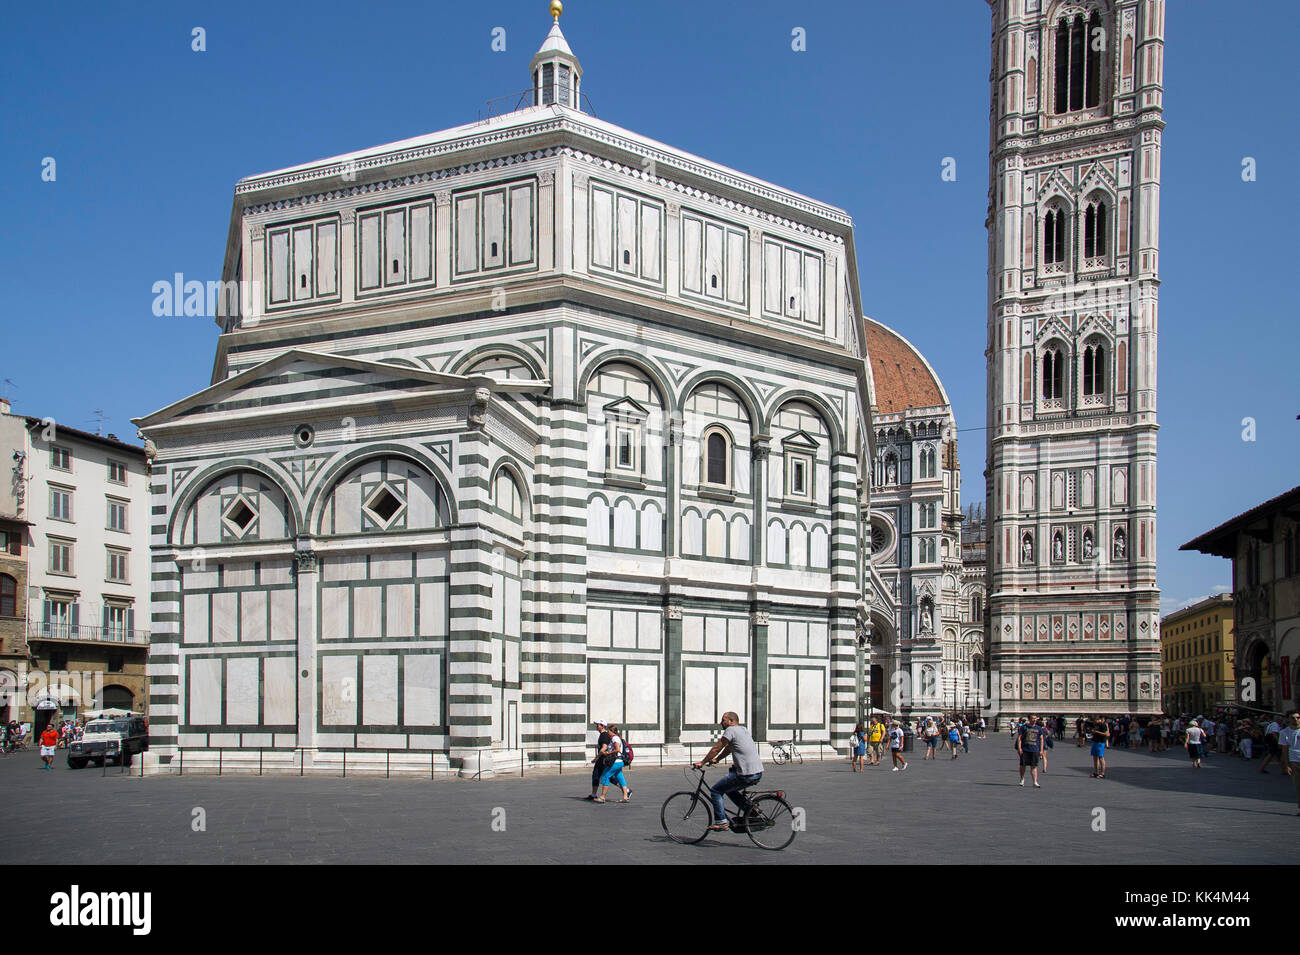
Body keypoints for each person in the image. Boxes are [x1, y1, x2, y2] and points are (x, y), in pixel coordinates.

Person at [693, 712, 763, 832]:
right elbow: (729, 748)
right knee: (730, 790)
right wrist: (717, 759)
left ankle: (721, 822)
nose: (721, 723)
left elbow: (717, 748)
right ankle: (751, 809)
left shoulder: (730, 730)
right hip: (757, 772)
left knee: (716, 791)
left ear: (731, 721)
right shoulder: (743, 730)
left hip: (745, 774)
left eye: (723, 720)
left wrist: (702, 762)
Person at [593, 724, 631, 803]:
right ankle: (625, 797)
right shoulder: (617, 738)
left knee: (605, 776)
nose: (607, 732)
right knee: (620, 778)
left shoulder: (614, 738)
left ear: (611, 731)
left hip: (615, 762)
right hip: (619, 761)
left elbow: (617, 749)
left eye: (608, 731)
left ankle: (602, 797)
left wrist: (608, 753)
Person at [1279, 711, 1300, 816]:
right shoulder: (1284, 732)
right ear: (1289, 719)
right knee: (1298, 785)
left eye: (1298, 717)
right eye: (1293, 718)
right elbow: (1284, 749)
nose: (1295, 720)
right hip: (1294, 760)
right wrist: (1286, 765)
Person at [587, 718, 611, 800]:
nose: (596, 726)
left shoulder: (604, 735)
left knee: (608, 777)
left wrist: (596, 758)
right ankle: (593, 794)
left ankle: (626, 790)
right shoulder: (603, 734)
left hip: (603, 759)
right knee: (597, 775)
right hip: (602, 759)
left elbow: (604, 747)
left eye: (598, 725)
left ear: (603, 726)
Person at [1017, 715, 1042, 788]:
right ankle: (1022, 779)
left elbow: (1041, 739)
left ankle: (1035, 781)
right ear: (1029, 719)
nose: (1034, 720)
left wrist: (1041, 750)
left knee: (1034, 766)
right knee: (1022, 765)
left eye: (1035, 718)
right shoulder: (1024, 727)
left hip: (1035, 749)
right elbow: (1019, 738)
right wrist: (1019, 748)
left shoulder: (1039, 728)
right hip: (1025, 749)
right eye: (1033, 718)